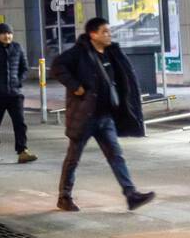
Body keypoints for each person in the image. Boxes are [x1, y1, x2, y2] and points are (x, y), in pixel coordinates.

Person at [51, 18, 154, 212]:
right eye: (104, 31)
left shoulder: (111, 53)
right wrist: (76, 87)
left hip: (105, 116)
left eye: (109, 31)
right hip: (84, 115)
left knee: (116, 156)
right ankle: (64, 197)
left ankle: (131, 194)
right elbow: (57, 67)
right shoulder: (79, 53)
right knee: (73, 158)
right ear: (93, 34)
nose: (109, 35)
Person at [0, 22, 36, 163]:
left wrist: (19, 81)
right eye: (4, 33)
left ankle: (22, 151)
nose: (7, 36)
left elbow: (25, 67)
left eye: (9, 33)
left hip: (15, 94)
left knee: (20, 123)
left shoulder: (17, 48)